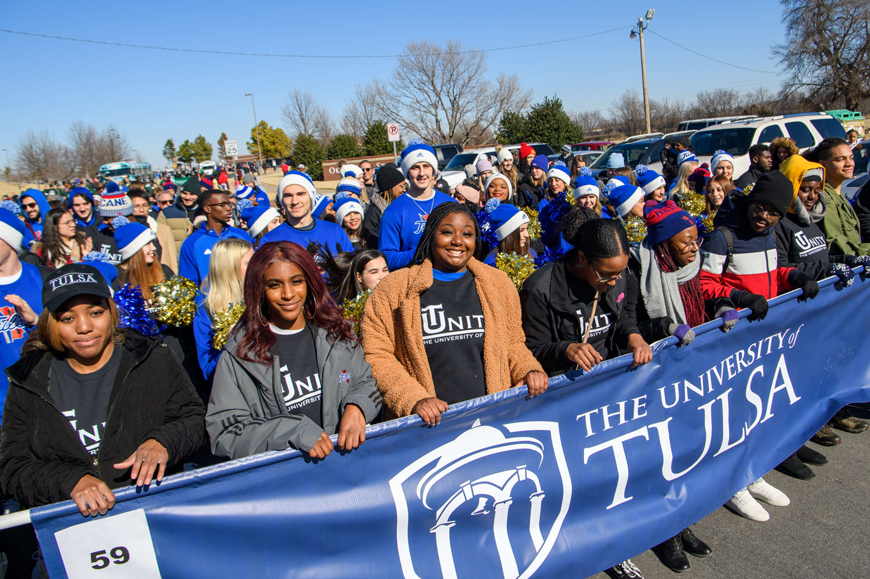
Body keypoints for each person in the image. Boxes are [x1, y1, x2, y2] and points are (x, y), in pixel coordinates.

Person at [0, 264, 206, 518]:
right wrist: (70, 481)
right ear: (51, 323)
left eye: (96, 312)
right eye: (67, 318)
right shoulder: (28, 380)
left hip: (157, 516)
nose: (84, 327)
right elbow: (12, 467)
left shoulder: (151, 358)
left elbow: (194, 419)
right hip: (76, 532)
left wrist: (163, 441)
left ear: (111, 312)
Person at [699, 172, 820, 521]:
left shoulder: (768, 236)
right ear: (750, 201)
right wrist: (738, 297)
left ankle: (754, 472)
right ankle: (733, 483)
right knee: (734, 415)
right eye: (760, 207)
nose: (763, 216)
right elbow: (703, 284)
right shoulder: (724, 237)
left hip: (764, 341)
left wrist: (792, 277)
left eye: (773, 212)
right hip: (732, 343)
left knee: (759, 409)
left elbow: (771, 273)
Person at [362, 202, 547, 424]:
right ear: (430, 235)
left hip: (490, 420)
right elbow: (377, 355)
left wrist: (528, 369)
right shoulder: (394, 289)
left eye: (467, 234)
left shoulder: (498, 284)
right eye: (447, 232)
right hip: (427, 427)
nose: (458, 241)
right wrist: (414, 399)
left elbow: (514, 343)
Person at [206, 242, 381, 460]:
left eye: (296, 281)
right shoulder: (240, 354)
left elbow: (368, 381)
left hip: (347, 469)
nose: (288, 294)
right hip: (289, 483)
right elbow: (226, 435)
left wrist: (358, 406)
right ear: (258, 289)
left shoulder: (338, 333)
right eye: (274, 285)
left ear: (310, 282)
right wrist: (291, 431)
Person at [627, 202, 719, 571]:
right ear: (664, 245)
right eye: (686, 243)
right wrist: (663, 326)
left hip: (690, 371)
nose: (694, 248)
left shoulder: (691, 268)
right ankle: (664, 532)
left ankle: (683, 521)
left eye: (696, 240)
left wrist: (729, 302)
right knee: (660, 457)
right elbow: (629, 325)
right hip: (654, 377)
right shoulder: (639, 268)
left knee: (688, 451)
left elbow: (707, 299)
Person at [775, 153, 868, 445]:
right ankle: (813, 421)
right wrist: (825, 269)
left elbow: (822, 257)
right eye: (805, 189)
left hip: (825, 307)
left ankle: (834, 409)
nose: (812, 196)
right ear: (791, 185)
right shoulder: (781, 224)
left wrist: (848, 260)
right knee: (807, 368)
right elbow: (781, 268)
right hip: (799, 308)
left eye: (817, 190)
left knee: (829, 361)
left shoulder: (812, 218)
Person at [521, 218, 653, 377]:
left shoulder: (617, 274)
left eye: (618, 274)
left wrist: (633, 336)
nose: (612, 283)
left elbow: (622, 316)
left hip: (612, 380)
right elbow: (532, 351)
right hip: (568, 388)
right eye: (605, 275)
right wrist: (567, 350)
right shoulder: (540, 289)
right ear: (582, 258)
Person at [377, 142, 455, 270]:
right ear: (407, 173)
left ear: (433, 171)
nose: (422, 173)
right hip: (412, 278)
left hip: (449, 276)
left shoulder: (451, 204)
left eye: (426, 166)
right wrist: (421, 252)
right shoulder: (394, 211)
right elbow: (386, 258)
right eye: (415, 167)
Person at [0, 208, 43, 422]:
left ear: (9, 240)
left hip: (45, 402)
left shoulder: (44, 278)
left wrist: (35, 320)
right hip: (3, 413)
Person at [193, 238, 253, 382]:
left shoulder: (261, 298)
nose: (256, 266)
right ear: (229, 268)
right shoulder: (206, 312)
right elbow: (207, 369)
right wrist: (234, 342)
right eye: (248, 263)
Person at [261, 171, 353, 255]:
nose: (295, 201)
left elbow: (353, 269)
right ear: (282, 201)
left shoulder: (335, 231)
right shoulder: (270, 241)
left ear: (311, 197)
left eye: (301, 194)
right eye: (288, 196)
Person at [808, 138, 870, 259]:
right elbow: (837, 245)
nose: (849, 163)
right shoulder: (824, 197)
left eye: (851, 158)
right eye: (840, 159)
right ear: (823, 164)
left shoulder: (839, 195)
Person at [178, 190, 251, 288]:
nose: (229, 208)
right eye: (222, 205)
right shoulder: (191, 243)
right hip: (210, 301)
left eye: (229, 204)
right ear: (208, 208)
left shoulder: (241, 235)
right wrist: (204, 302)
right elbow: (189, 283)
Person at [361, 163, 405, 249]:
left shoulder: (402, 205)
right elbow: (374, 241)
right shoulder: (373, 213)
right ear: (390, 188)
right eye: (401, 186)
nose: (404, 189)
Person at [482, 200, 535, 265]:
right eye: (521, 230)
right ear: (509, 234)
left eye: (526, 229)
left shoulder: (531, 254)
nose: (527, 235)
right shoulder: (491, 262)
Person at [158, 175, 201, 248]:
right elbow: (160, 239)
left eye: (192, 194)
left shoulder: (204, 212)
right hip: (177, 255)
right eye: (184, 193)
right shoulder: (167, 213)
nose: (187, 197)